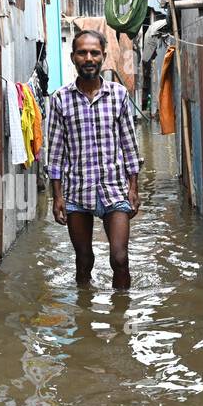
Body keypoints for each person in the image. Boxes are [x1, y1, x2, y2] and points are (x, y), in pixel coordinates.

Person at [46, 29, 142, 290]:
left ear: (103, 56)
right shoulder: (60, 99)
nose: (88, 58)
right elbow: (55, 153)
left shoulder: (119, 95)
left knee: (120, 258)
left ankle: (121, 319)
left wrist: (133, 188)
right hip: (77, 192)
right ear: (73, 57)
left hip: (115, 189)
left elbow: (130, 146)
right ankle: (84, 316)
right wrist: (57, 197)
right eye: (82, 53)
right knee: (84, 260)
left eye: (94, 53)